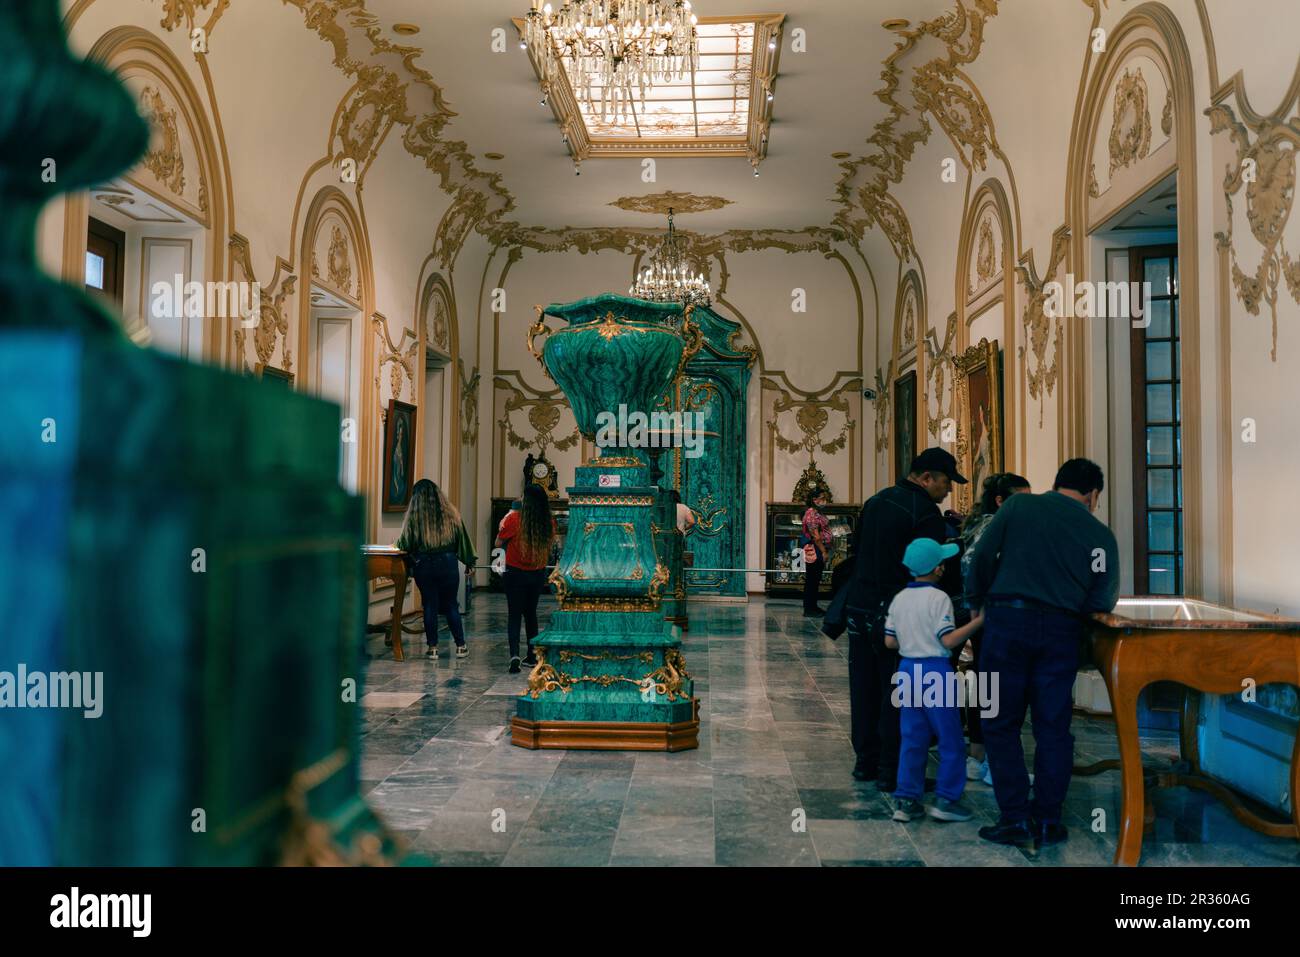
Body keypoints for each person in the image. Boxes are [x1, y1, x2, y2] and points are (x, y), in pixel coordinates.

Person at [967, 458, 1119, 848]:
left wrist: (976, 601)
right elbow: (1103, 595)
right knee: (1053, 728)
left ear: (1056, 483)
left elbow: (982, 556)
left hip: (1006, 624)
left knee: (1000, 722)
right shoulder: (1100, 536)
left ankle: (1014, 819)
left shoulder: (1019, 506)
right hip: (1061, 631)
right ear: (1093, 494)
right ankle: (1049, 819)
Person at [843, 447, 968, 789]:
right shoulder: (924, 512)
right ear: (926, 477)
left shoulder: (876, 500)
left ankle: (865, 763)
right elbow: (927, 568)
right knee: (896, 693)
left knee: (864, 689)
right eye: (945, 482)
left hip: (860, 608)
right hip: (898, 612)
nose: (948, 490)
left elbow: (858, 552)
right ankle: (892, 771)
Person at [887, 538, 985, 823]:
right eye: (942, 562)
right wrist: (978, 622)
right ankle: (946, 800)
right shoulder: (939, 598)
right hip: (935, 672)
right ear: (937, 568)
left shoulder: (900, 598)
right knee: (950, 738)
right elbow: (948, 638)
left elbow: (890, 642)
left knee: (913, 738)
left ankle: (906, 800)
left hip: (906, 672)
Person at [959, 472, 1031, 784]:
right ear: (1001, 500)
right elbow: (979, 568)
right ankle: (996, 760)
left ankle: (979, 753)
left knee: (983, 681)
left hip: (981, 615)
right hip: (995, 615)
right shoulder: (997, 526)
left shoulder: (981, 524)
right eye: (1021, 499)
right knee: (999, 687)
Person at [395, 479, 471, 660]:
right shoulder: (452, 515)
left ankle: (433, 648)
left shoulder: (415, 517)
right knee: (451, 604)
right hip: (448, 563)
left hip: (424, 565)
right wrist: (470, 562)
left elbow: (404, 543)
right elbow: (463, 540)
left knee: (429, 605)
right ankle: (461, 646)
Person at [496, 482, 556, 674]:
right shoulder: (549, 522)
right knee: (531, 614)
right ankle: (532, 655)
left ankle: (514, 654)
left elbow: (498, 541)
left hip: (514, 572)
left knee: (514, 613)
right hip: (537, 572)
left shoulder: (515, 519)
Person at [801, 487, 832, 617]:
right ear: (814, 500)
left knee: (815, 579)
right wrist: (824, 551)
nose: (825, 501)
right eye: (822, 498)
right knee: (812, 579)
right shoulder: (811, 514)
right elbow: (816, 536)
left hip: (818, 548)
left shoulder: (817, 512)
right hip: (815, 548)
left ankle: (813, 606)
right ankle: (809, 609)